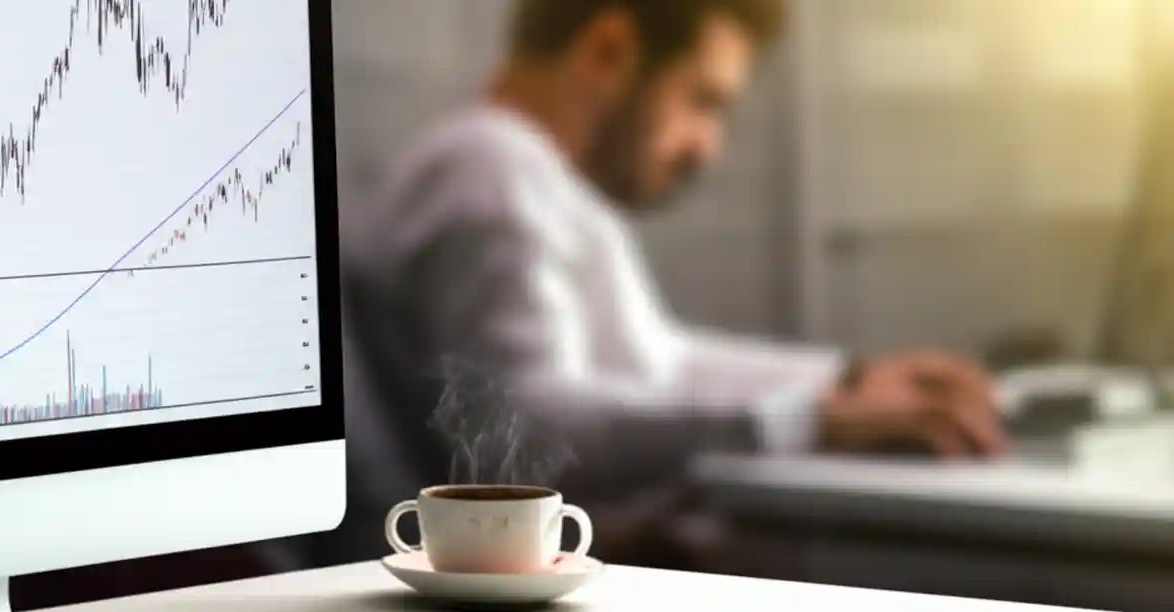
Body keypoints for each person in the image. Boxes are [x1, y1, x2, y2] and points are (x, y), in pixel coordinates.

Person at [338, 0, 1006, 565]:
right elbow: (525, 426)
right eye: (703, 100)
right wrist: (806, 418)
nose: (706, 147)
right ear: (609, 51)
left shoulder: (528, 176)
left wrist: (848, 383)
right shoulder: (487, 171)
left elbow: (665, 362)